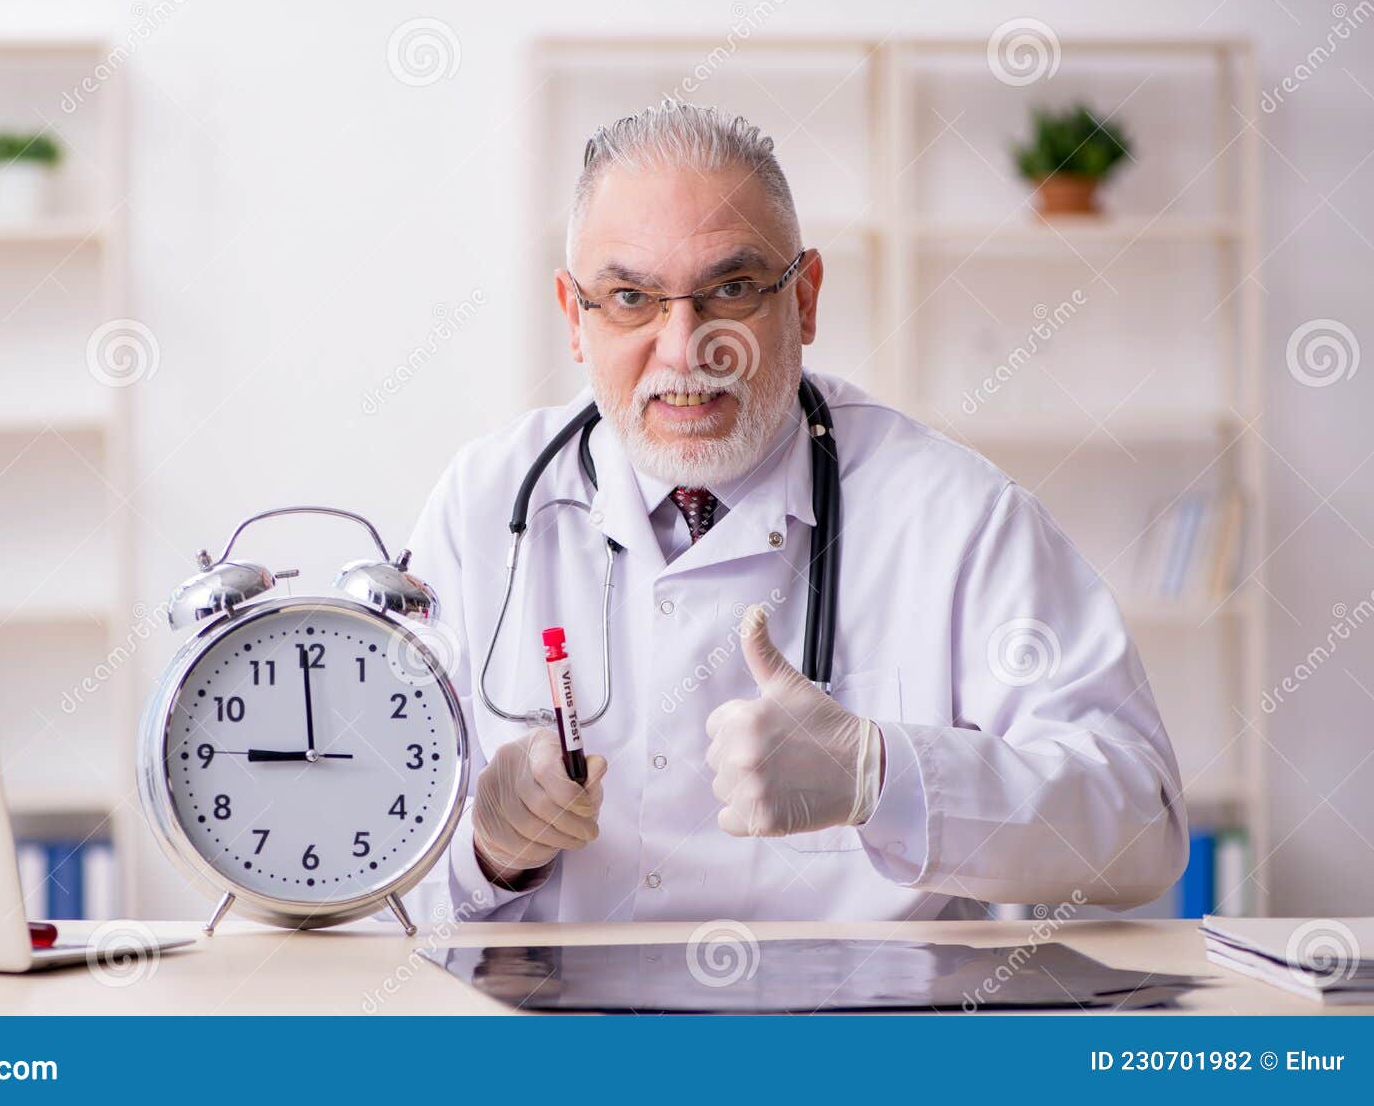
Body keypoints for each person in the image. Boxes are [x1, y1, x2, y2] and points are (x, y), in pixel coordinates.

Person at [404, 101, 1187, 923]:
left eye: (732, 289)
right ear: (575, 317)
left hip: (866, 1008)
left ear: (804, 299)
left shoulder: (957, 515)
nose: (686, 349)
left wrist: (881, 775)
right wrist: (487, 851)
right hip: (555, 1010)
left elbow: (1142, 824)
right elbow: (366, 858)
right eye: (631, 296)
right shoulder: (484, 504)